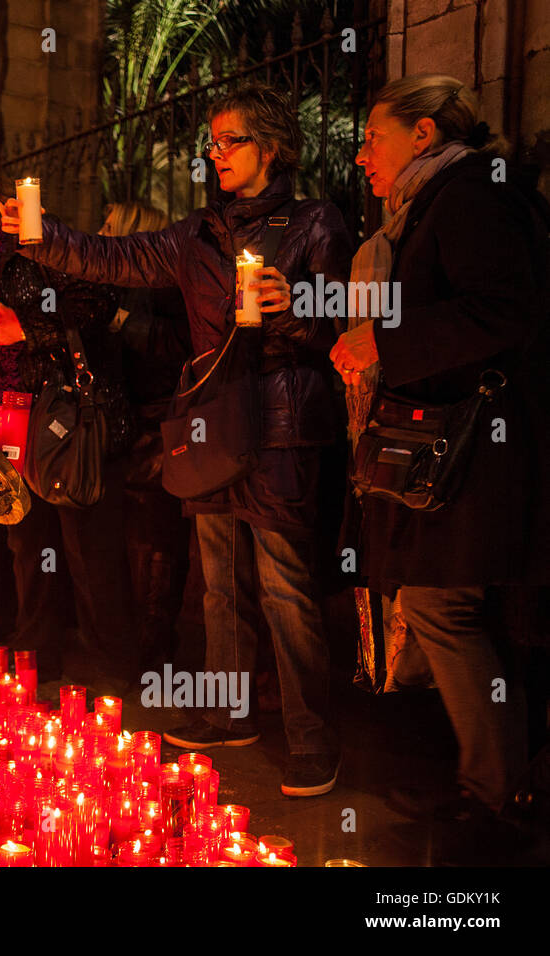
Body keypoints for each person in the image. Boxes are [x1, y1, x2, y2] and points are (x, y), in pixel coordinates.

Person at [0, 85, 353, 796]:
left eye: (230, 140)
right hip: (213, 424)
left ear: (271, 147)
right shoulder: (197, 236)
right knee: (218, 583)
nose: (214, 153)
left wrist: (295, 308)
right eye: (212, 141)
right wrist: (42, 236)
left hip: (281, 424)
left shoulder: (317, 223)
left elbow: (341, 326)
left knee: (285, 587)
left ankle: (314, 739)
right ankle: (230, 711)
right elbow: (113, 258)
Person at [329, 75, 550, 850]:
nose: (361, 158)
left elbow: (504, 309)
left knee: (441, 606)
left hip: (479, 454)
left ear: (423, 134)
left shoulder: (471, 197)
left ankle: (494, 794)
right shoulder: (442, 199)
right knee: (461, 610)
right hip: (466, 450)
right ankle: (498, 784)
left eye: (373, 139)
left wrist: (383, 342)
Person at [0, 161, 136, 686]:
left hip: (66, 425)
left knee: (88, 546)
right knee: (29, 545)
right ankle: (36, 656)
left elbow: (101, 300)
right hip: (7, 428)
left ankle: (114, 667)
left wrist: (30, 331)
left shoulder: (40, 251)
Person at [99, 202, 196, 677]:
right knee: (134, 539)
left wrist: (119, 323)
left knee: (160, 541)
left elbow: (180, 345)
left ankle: (155, 644)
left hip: (162, 425)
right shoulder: (118, 285)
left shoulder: (165, 285)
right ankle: (135, 642)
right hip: (129, 423)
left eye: (109, 226)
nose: (100, 233)